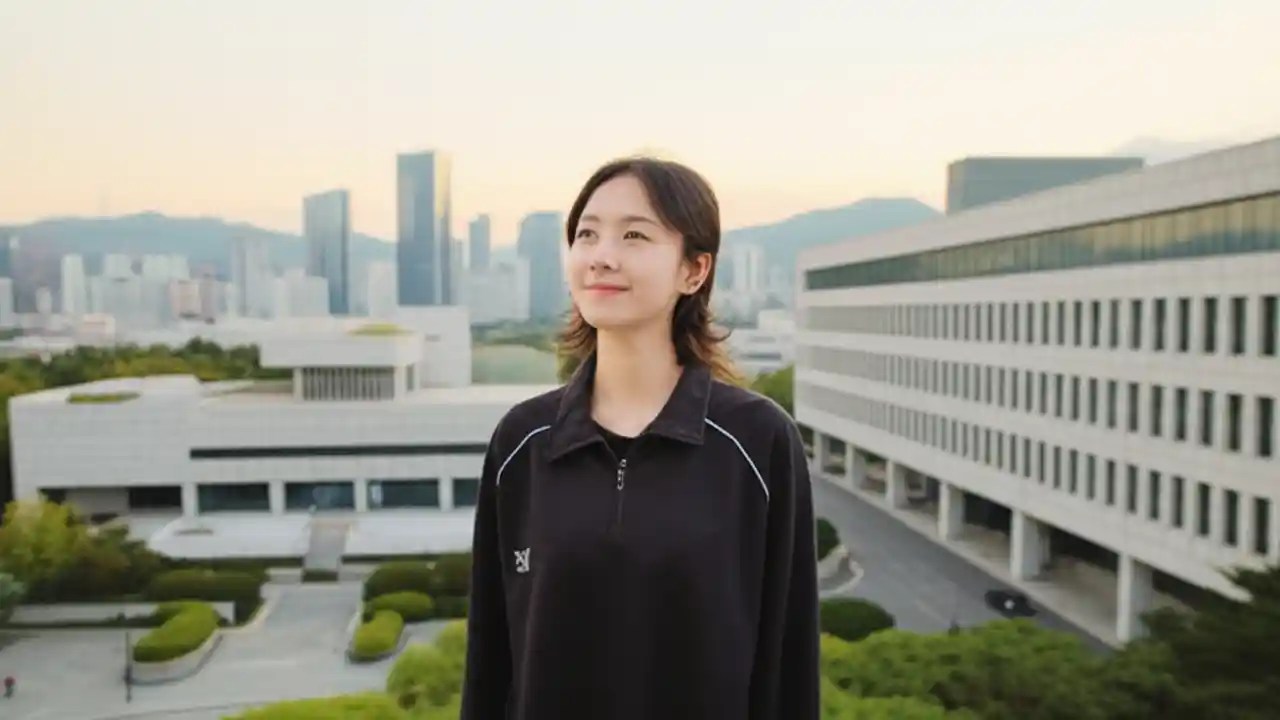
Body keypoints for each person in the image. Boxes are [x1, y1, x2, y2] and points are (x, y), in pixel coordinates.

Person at [461, 157, 819, 720]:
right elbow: (489, 658)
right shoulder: (522, 442)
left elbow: (788, 660)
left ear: (693, 271)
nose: (601, 255)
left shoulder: (758, 441)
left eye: (634, 235)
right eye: (587, 234)